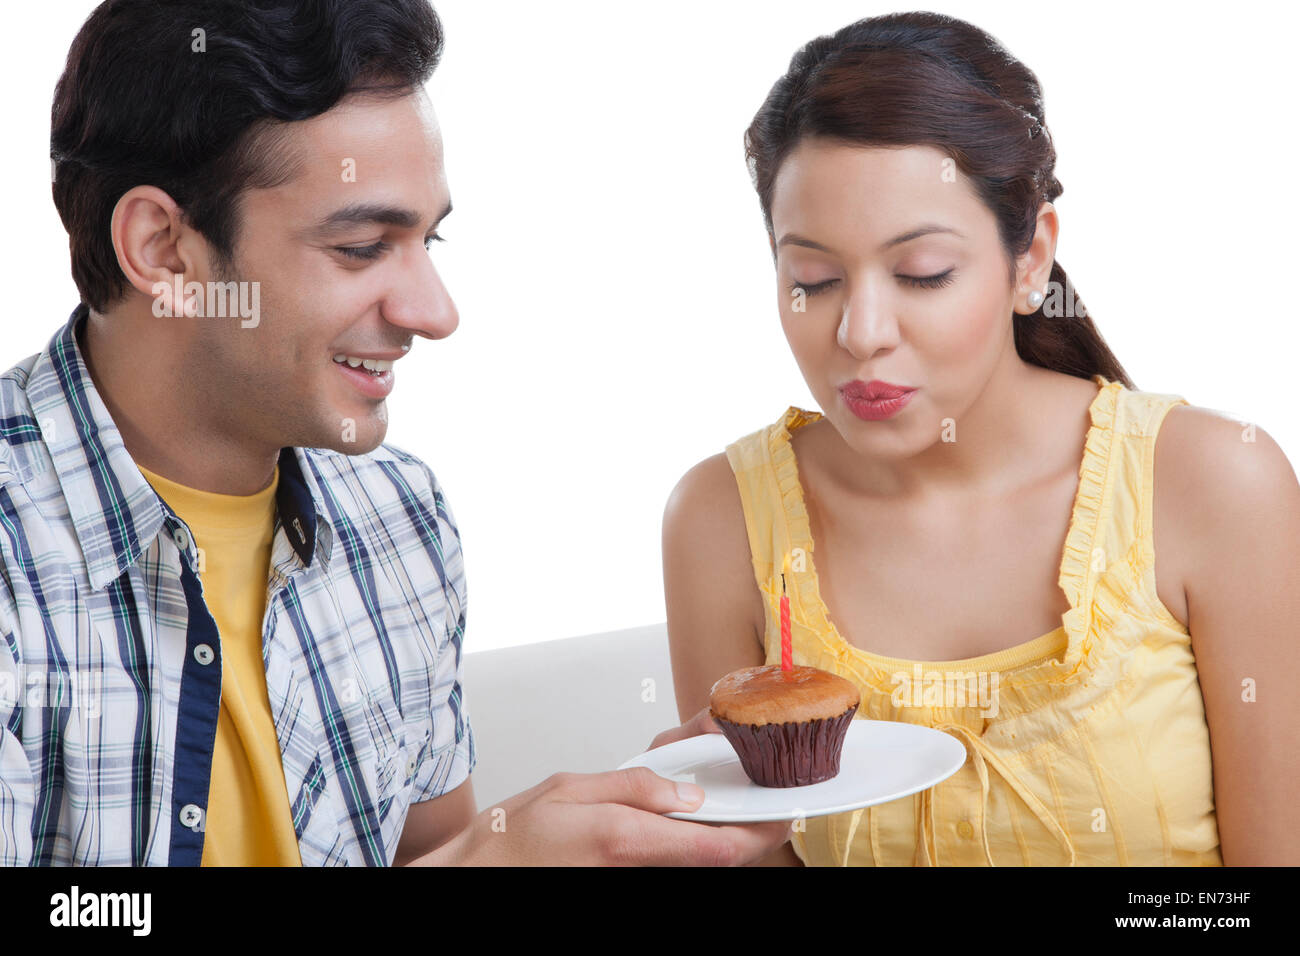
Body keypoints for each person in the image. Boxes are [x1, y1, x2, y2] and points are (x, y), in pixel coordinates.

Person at [0, 0, 790, 867]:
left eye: (428, 239)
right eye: (364, 247)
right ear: (164, 251)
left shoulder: (399, 518)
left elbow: (439, 851)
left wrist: (613, 829)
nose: (435, 313)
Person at [662, 11, 1300, 866]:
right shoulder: (718, 520)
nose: (860, 332)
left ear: (1030, 258)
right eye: (812, 278)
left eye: (923, 273)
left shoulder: (1217, 483)